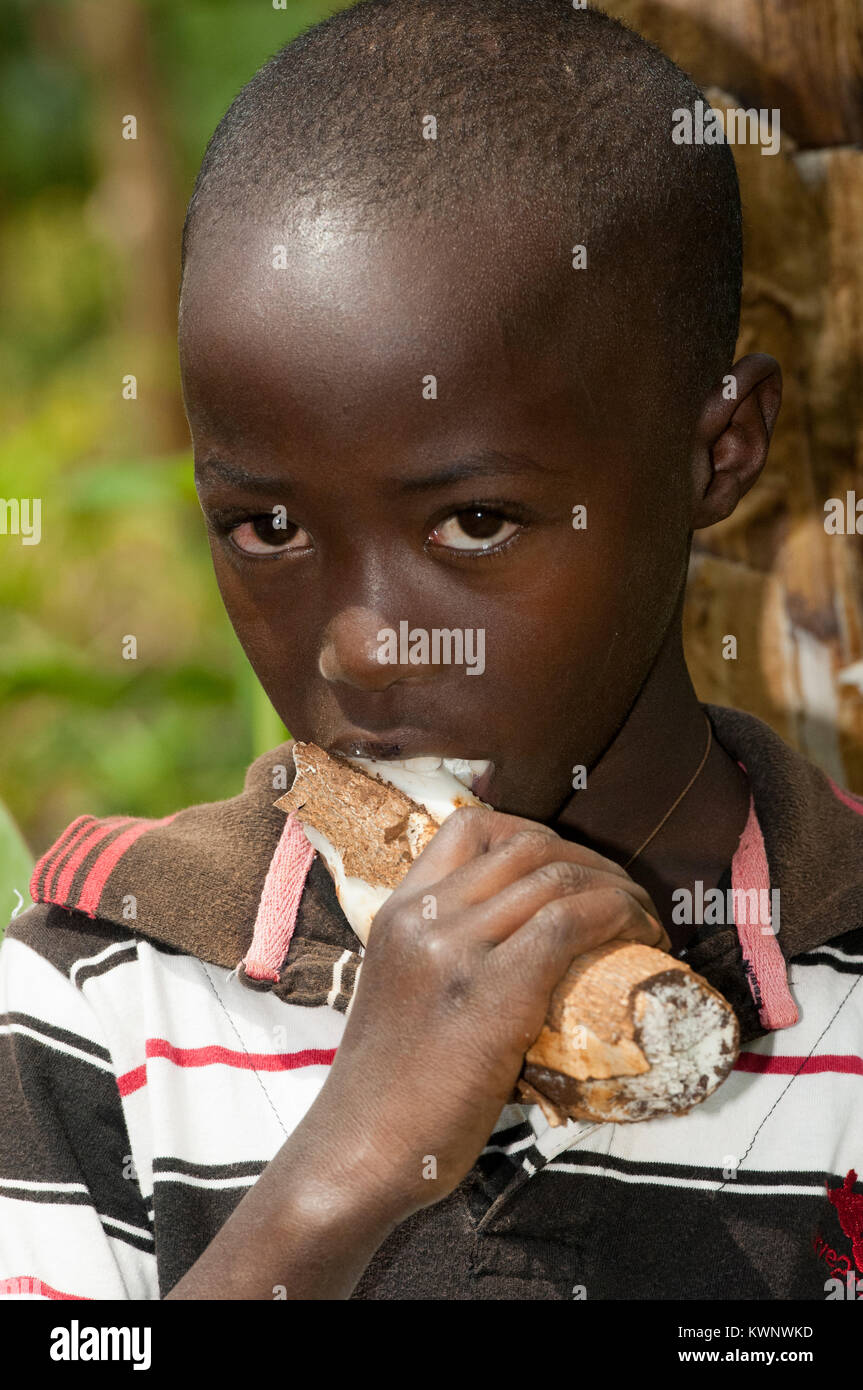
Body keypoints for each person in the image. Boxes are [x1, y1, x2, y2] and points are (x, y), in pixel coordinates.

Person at [2, 0, 862, 1301]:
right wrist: (343, 1175)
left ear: (719, 451)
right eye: (270, 525)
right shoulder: (107, 1005)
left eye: (473, 519)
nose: (359, 644)